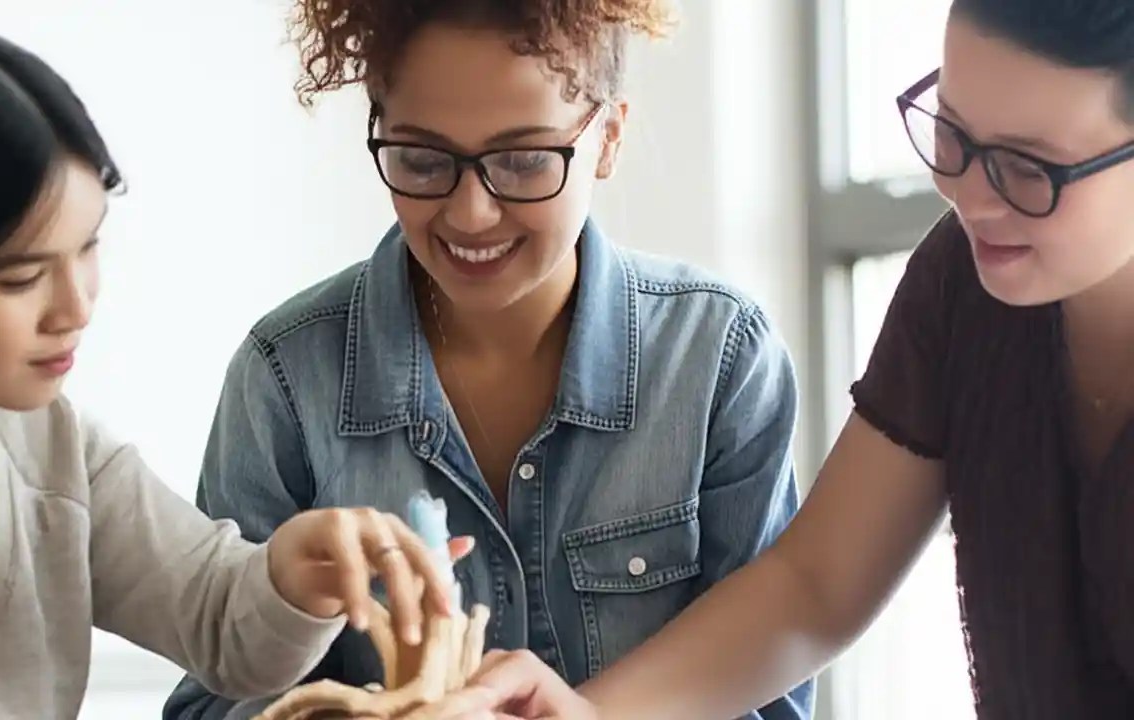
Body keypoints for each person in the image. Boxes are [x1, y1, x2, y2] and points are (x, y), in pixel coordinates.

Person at [423, 0, 1134, 718]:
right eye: (951, 134)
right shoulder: (965, 284)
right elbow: (815, 587)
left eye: (1025, 166)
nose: (967, 196)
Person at [162, 0, 815, 719]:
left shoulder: (718, 358)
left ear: (609, 137)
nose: (470, 213)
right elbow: (212, 701)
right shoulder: (285, 379)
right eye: (421, 159)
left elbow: (772, 698)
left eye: (526, 161)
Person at [0, 11, 469, 720]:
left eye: (87, 247)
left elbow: (215, 614)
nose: (75, 307)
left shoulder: (49, 445)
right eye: (19, 278)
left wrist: (297, 577)